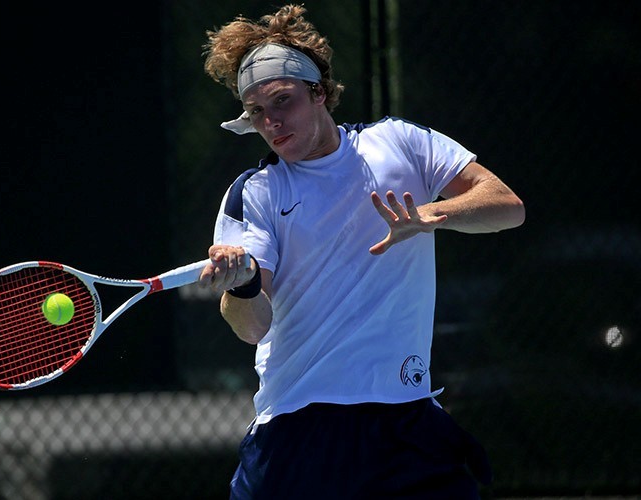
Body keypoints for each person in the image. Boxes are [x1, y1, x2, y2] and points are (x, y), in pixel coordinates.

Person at [197, 5, 525, 499]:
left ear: (320, 93)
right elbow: (252, 326)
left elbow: (507, 206)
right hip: (300, 429)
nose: (272, 122)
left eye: (283, 102)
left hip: (408, 421)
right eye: (257, 112)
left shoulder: (400, 143)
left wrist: (432, 216)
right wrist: (240, 285)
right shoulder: (257, 193)